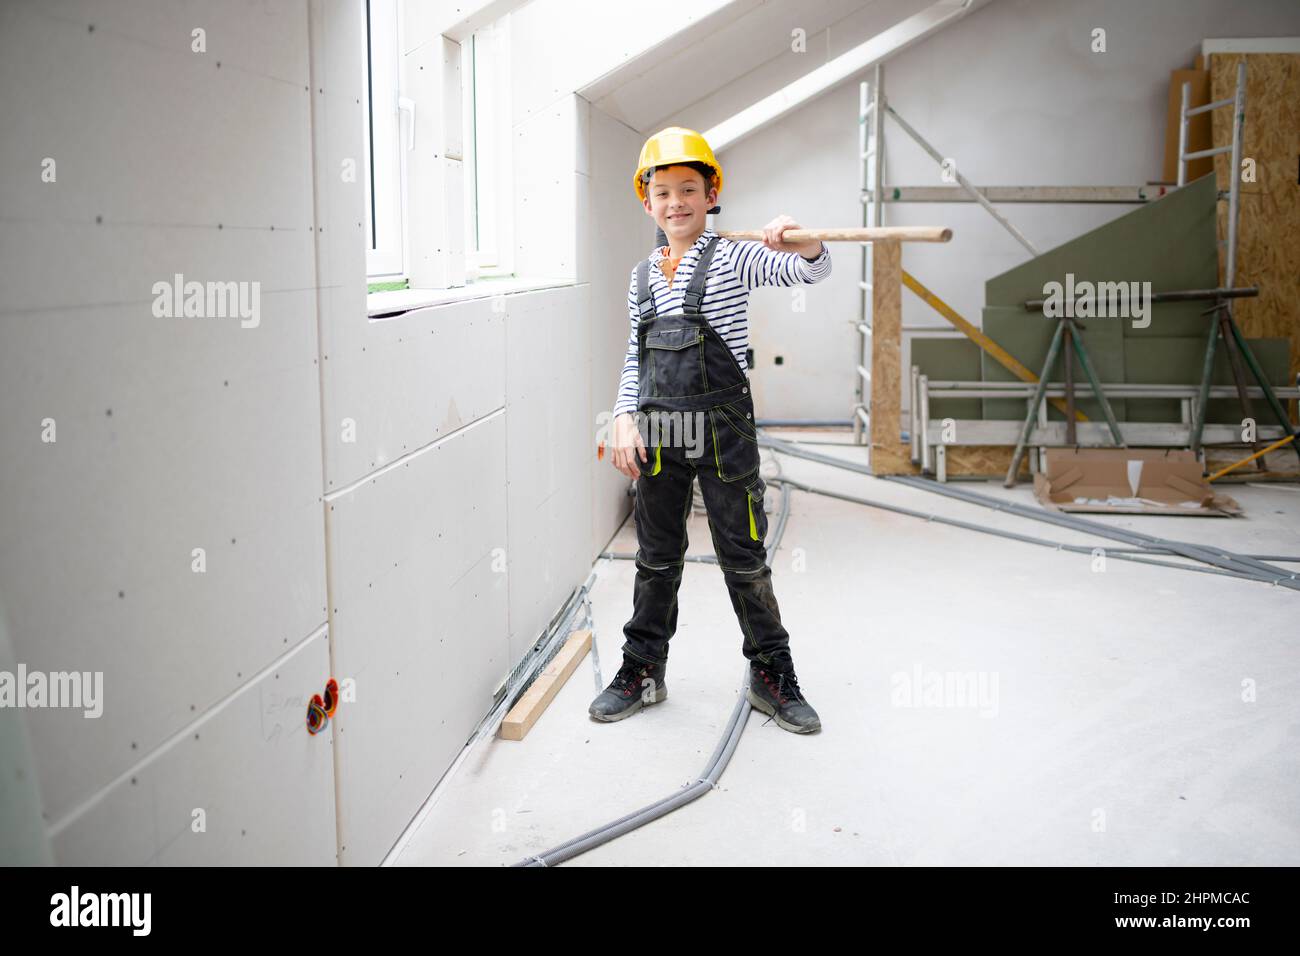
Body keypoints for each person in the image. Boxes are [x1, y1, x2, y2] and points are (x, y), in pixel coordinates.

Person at [589, 126, 831, 734]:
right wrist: (622, 416)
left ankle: (771, 675)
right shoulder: (642, 276)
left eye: (689, 189)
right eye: (663, 191)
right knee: (655, 558)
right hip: (658, 433)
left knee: (744, 559)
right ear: (647, 202)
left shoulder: (733, 256)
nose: (677, 202)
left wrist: (802, 242)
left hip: (723, 433)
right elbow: (635, 360)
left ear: (711, 193)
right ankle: (643, 669)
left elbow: (810, 273)